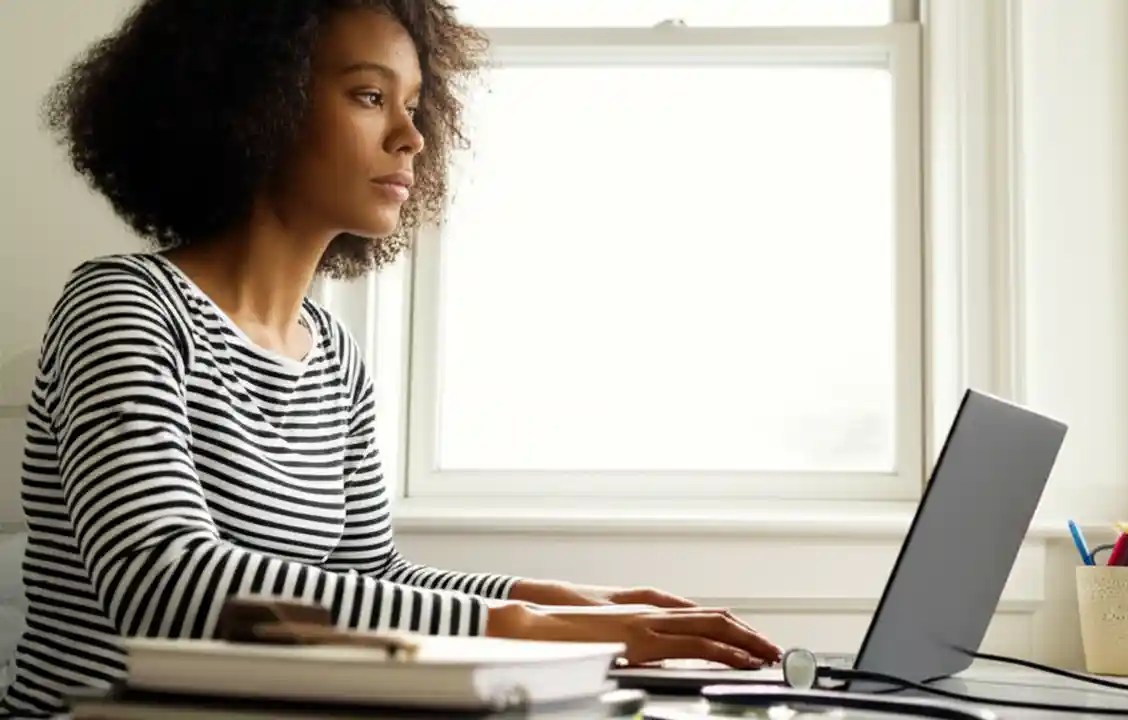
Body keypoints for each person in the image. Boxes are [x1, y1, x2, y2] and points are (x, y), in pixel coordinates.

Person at [0, 1, 781, 716]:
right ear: (254, 103)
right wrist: (532, 625)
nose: (411, 137)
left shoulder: (335, 357)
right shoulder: (122, 306)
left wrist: (570, 599)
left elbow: (373, 582)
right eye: (370, 97)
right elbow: (161, 581)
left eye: (413, 106)